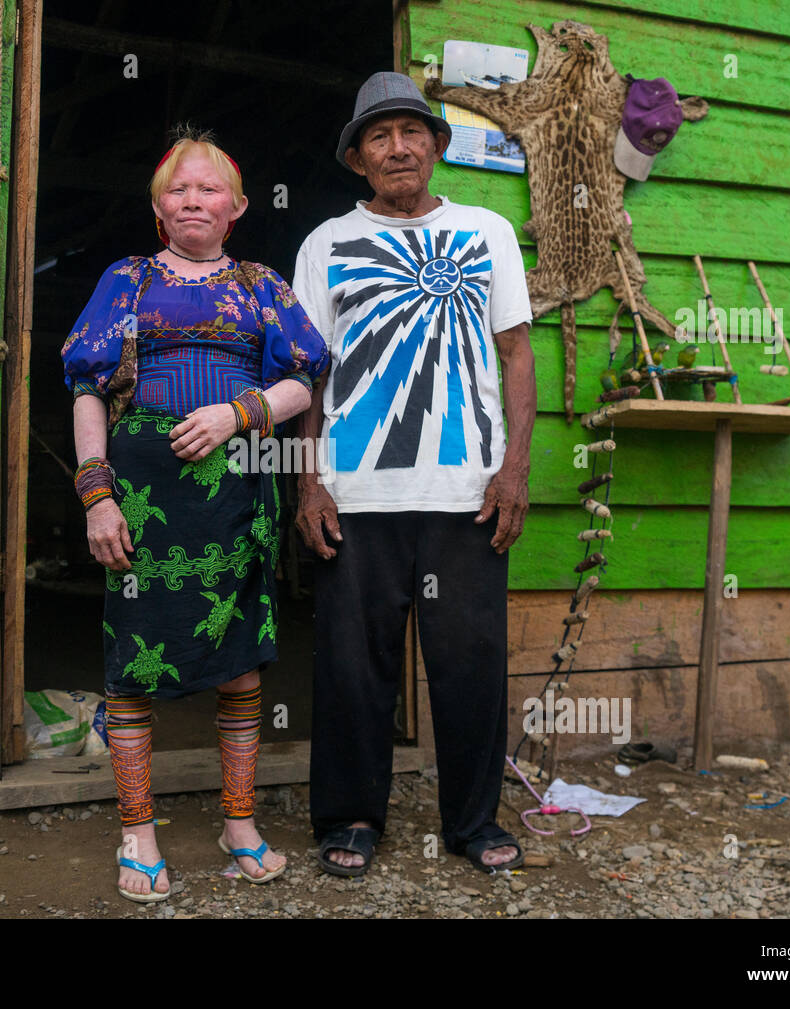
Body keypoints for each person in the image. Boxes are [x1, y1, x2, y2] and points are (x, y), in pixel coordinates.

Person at [61, 129, 329, 902]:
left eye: (209, 188)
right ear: (157, 209)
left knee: (240, 661)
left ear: (237, 207)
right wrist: (96, 493)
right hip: (142, 495)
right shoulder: (128, 279)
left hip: (234, 492)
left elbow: (305, 379)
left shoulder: (260, 284)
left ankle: (238, 822)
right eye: (177, 189)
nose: (193, 199)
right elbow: (87, 387)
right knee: (133, 667)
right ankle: (138, 832)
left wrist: (237, 412)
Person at [292, 72, 537, 876]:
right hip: (356, 493)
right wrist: (308, 481)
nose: (397, 147)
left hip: (468, 493)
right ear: (358, 158)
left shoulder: (487, 230)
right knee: (353, 666)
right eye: (379, 136)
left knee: (470, 664)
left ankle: (473, 822)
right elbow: (309, 374)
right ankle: (352, 818)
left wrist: (513, 471)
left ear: (436, 145)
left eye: (411, 132)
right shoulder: (324, 243)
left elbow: (517, 355)